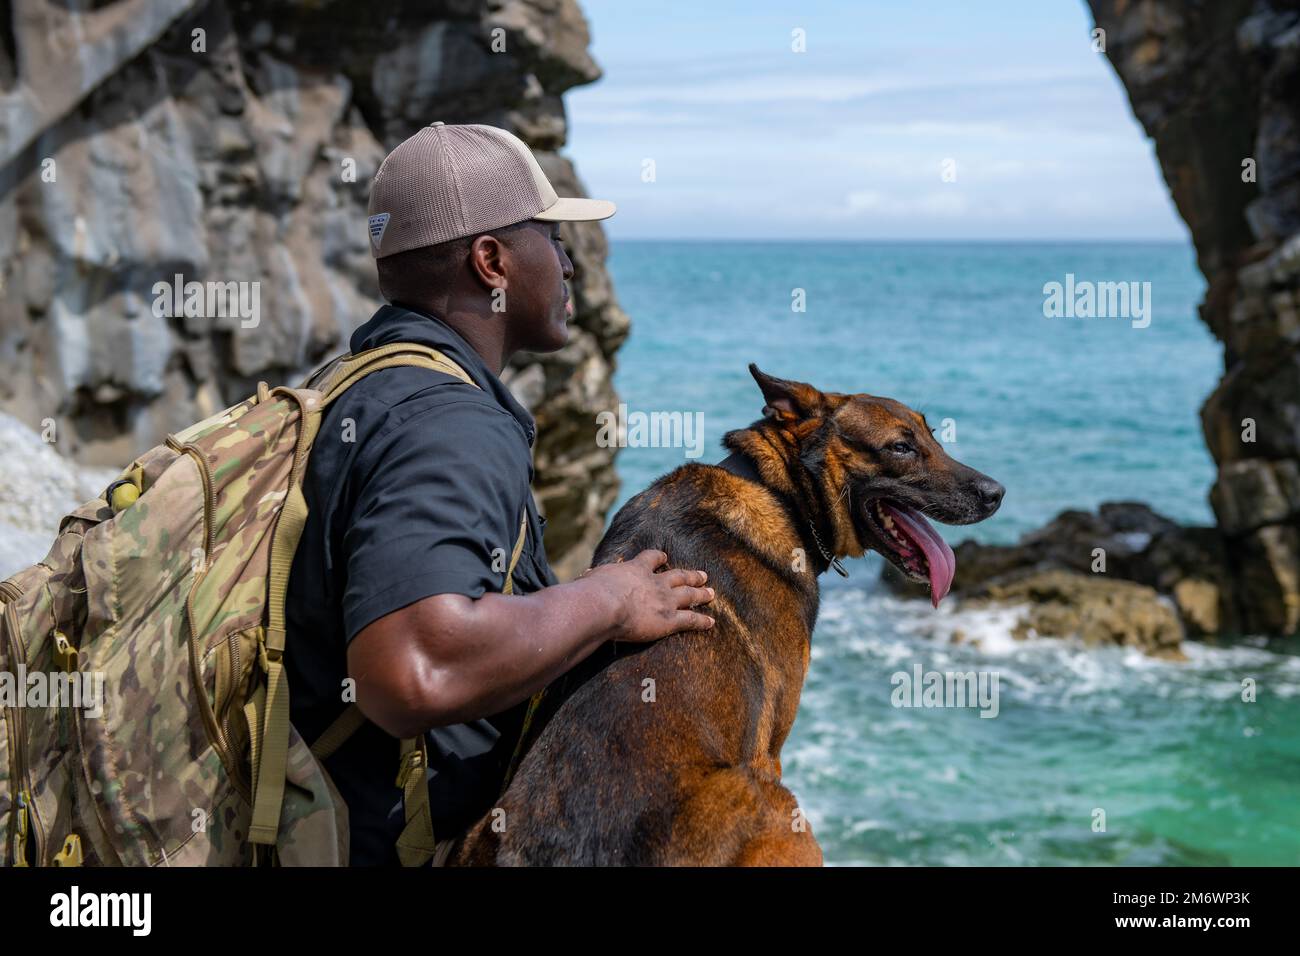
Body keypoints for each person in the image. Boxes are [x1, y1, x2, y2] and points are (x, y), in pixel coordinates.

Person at [284, 123, 715, 865]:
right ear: (492, 261)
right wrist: (609, 600)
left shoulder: (351, 385)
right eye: (551, 236)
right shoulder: (447, 421)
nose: (570, 262)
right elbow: (409, 669)